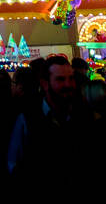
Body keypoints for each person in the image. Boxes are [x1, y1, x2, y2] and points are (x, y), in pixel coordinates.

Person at [8, 56, 99, 184]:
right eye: (60, 79)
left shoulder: (84, 115)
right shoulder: (27, 118)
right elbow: (13, 163)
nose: (67, 85)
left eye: (71, 79)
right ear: (45, 84)